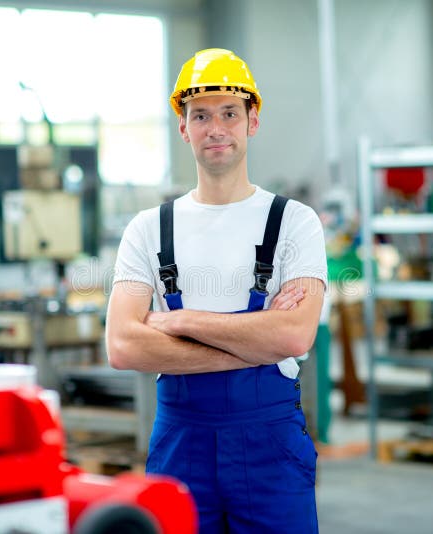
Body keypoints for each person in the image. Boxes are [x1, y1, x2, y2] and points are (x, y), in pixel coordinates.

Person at [106, 48, 327, 534]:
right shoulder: (147, 229)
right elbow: (123, 345)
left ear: (253, 119)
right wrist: (256, 341)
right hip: (181, 445)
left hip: (270, 444)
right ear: (183, 127)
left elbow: (293, 337)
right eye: (200, 115)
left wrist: (178, 321)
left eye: (230, 112)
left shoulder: (295, 223)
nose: (216, 128)